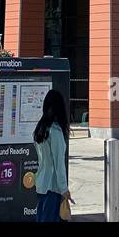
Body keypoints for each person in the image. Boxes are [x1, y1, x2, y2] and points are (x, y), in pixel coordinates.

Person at [33, 89, 72, 222]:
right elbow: (59, 164)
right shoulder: (55, 132)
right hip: (52, 186)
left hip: (41, 184)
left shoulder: (40, 129)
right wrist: (64, 189)